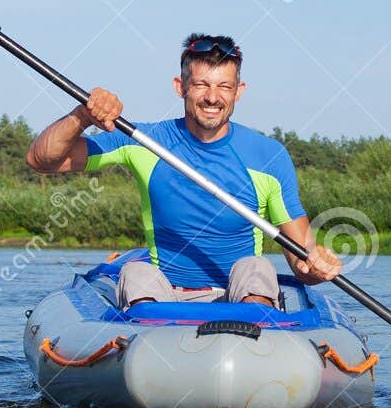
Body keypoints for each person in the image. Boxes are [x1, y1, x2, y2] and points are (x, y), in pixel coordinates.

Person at [26, 34, 342, 309]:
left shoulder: (269, 156)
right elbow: (43, 160)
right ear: (181, 87)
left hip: (240, 297)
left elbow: (302, 261)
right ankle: (149, 352)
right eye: (201, 84)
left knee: (256, 267)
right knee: (136, 272)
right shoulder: (143, 140)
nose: (212, 97)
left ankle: (254, 342)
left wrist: (317, 266)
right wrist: (82, 116)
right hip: (164, 299)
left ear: (239, 91)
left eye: (224, 87)